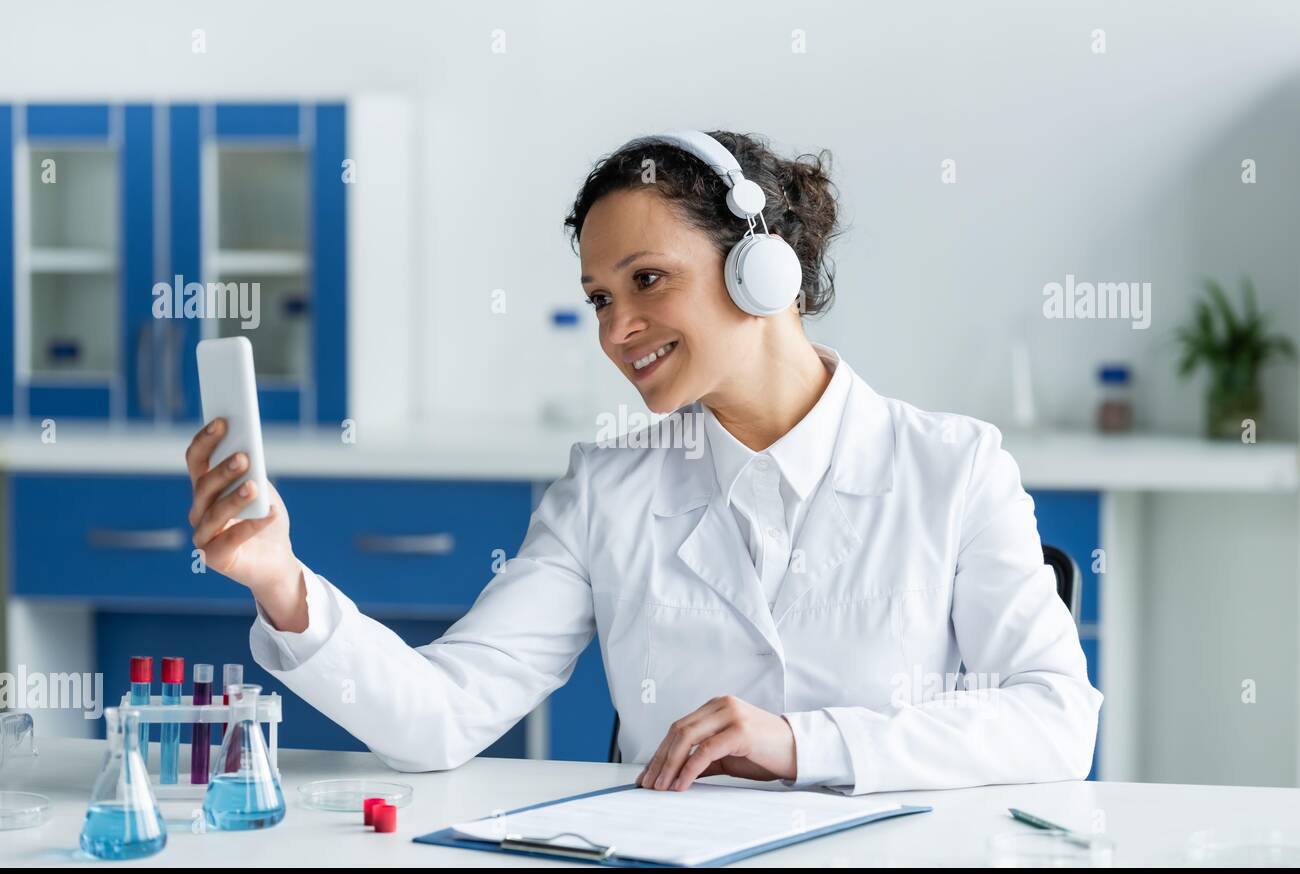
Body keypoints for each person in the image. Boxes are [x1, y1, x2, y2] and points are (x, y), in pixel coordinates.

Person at [184, 129, 1101, 796]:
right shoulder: (606, 491)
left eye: (646, 279)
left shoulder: (954, 467)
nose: (617, 329)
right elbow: (440, 717)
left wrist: (799, 742)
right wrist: (281, 583)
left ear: (760, 271)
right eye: (597, 297)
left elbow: (1057, 720)